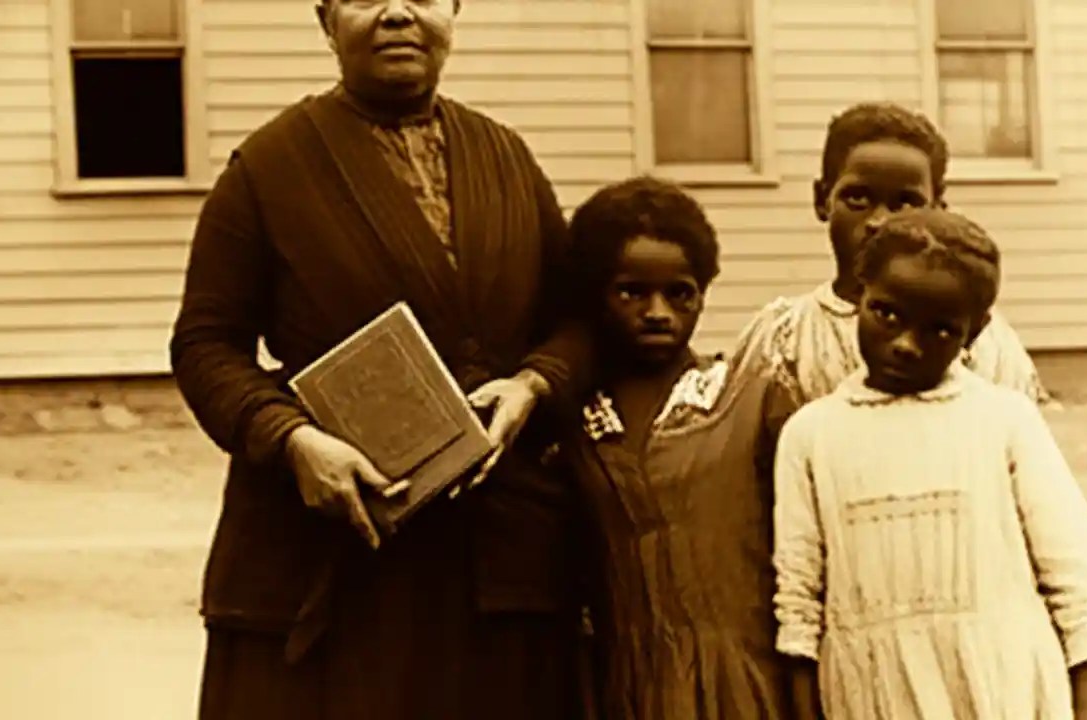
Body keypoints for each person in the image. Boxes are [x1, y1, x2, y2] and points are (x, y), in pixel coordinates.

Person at [169, 0, 595, 717]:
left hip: (496, 565)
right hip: (341, 552)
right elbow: (206, 343)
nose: (398, 13)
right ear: (326, 20)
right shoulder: (269, 167)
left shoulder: (506, 158)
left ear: (454, 14)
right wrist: (292, 439)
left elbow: (575, 321)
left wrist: (531, 385)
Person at [772, 208, 1087, 720]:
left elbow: (1079, 578)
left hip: (1000, 691)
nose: (906, 344)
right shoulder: (812, 435)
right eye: (887, 314)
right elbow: (799, 602)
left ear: (974, 332)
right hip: (874, 696)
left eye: (939, 330)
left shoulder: (1004, 420)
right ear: (860, 297)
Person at [561, 176, 799, 719]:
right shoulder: (577, 421)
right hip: (627, 686)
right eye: (631, 292)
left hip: (747, 681)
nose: (658, 312)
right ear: (596, 294)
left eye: (680, 293)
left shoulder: (749, 401)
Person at [734, 102, 1048, 407]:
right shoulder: (782, 338)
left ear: (938, 208)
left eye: (906, 203)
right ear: (822, 199)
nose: (879, 222)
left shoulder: (982, 342)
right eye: (857, 198)